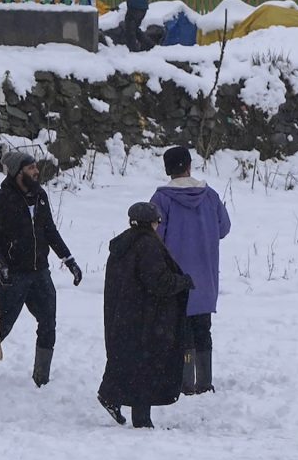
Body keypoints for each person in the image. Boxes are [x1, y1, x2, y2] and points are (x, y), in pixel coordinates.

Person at [0, 150, 82, 389]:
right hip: (14, 274)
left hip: (41, 272)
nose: (36, 172)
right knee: (2, 325)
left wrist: (69, 259)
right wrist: (1, 265)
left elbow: (49, 230)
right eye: (31, 168)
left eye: (36, 167)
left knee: (48, 322)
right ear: (18, 171)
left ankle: (42, 377)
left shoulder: (40, 196)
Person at [98, 201, 193, 427]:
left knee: (125, 359)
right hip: (146, 315)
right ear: (152, 222)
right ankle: (141, 419)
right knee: (145, 366)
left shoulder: (123, 244)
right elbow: (158, 281)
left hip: (123, 312)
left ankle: (110, 394)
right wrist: (183, 281)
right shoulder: (147, 245)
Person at [152, 145, 231, 394]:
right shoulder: (210, 195)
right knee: (202, 329)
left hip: (176, 277)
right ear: (189, 165)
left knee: (181, 331)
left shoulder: (161, 199)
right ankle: (205, 382)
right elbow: (224, 228)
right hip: (205, 276)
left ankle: (185, 382)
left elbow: (154, 236)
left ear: (167, 170)